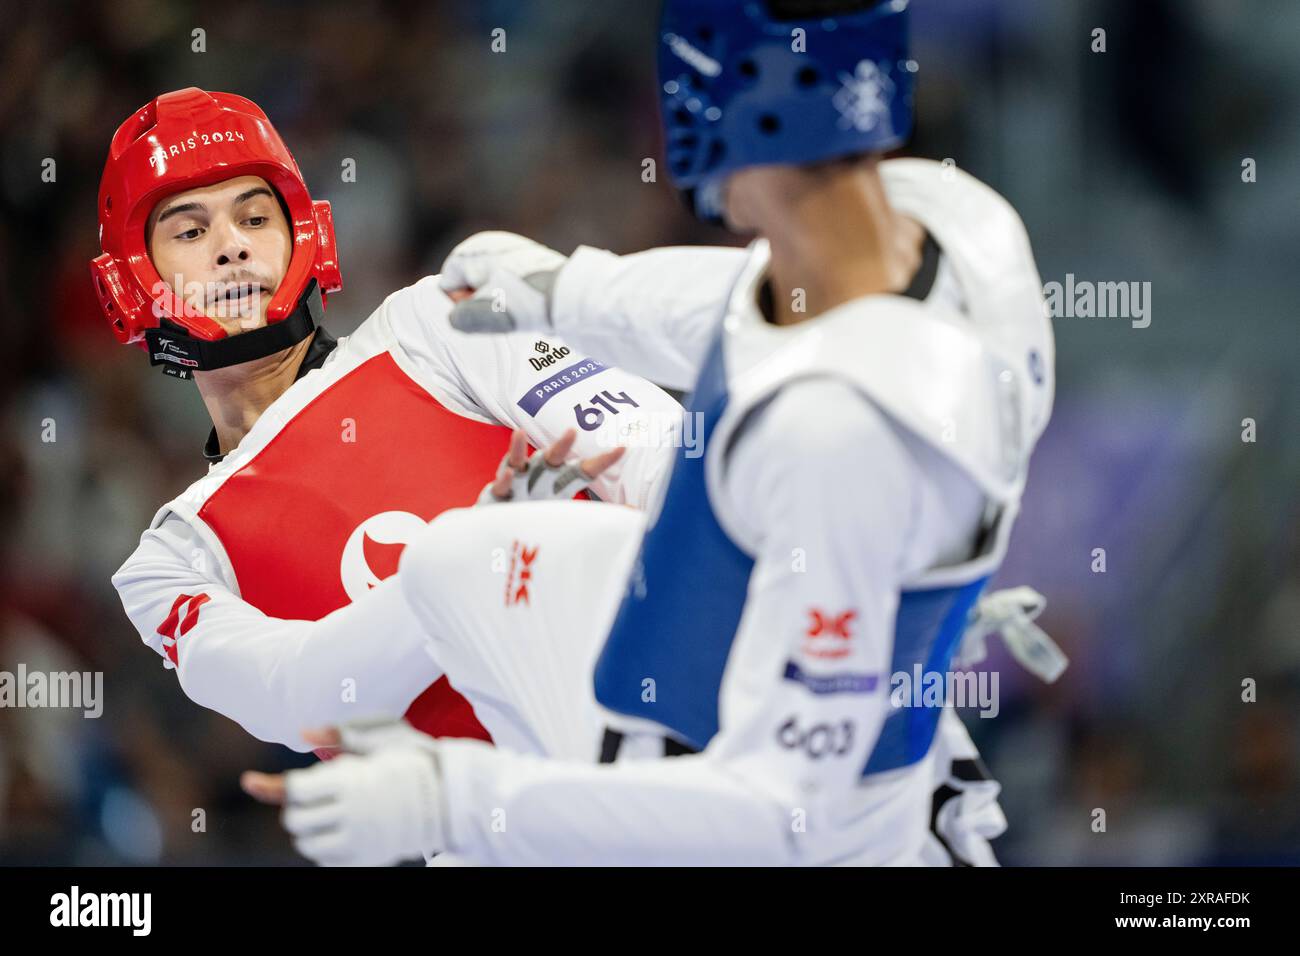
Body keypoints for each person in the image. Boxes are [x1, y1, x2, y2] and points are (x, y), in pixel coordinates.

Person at [247, 0, 1064, 866]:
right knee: (459, 559)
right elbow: (750, 300)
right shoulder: (957, 226)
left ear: (734, 100)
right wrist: (569, 295)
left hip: (759, 815)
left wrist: (450, 802)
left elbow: (786, 820)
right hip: (727, 654)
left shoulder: (835, 435)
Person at [100, 88, 681, 754]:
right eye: (191, 231)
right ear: (131, 282)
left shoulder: (437, 321)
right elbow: (302, 699)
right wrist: (469, 556)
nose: (232, 248)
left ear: (305, 233)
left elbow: (654, 455)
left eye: (256, 218)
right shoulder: (173, 560)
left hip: (677, 737)